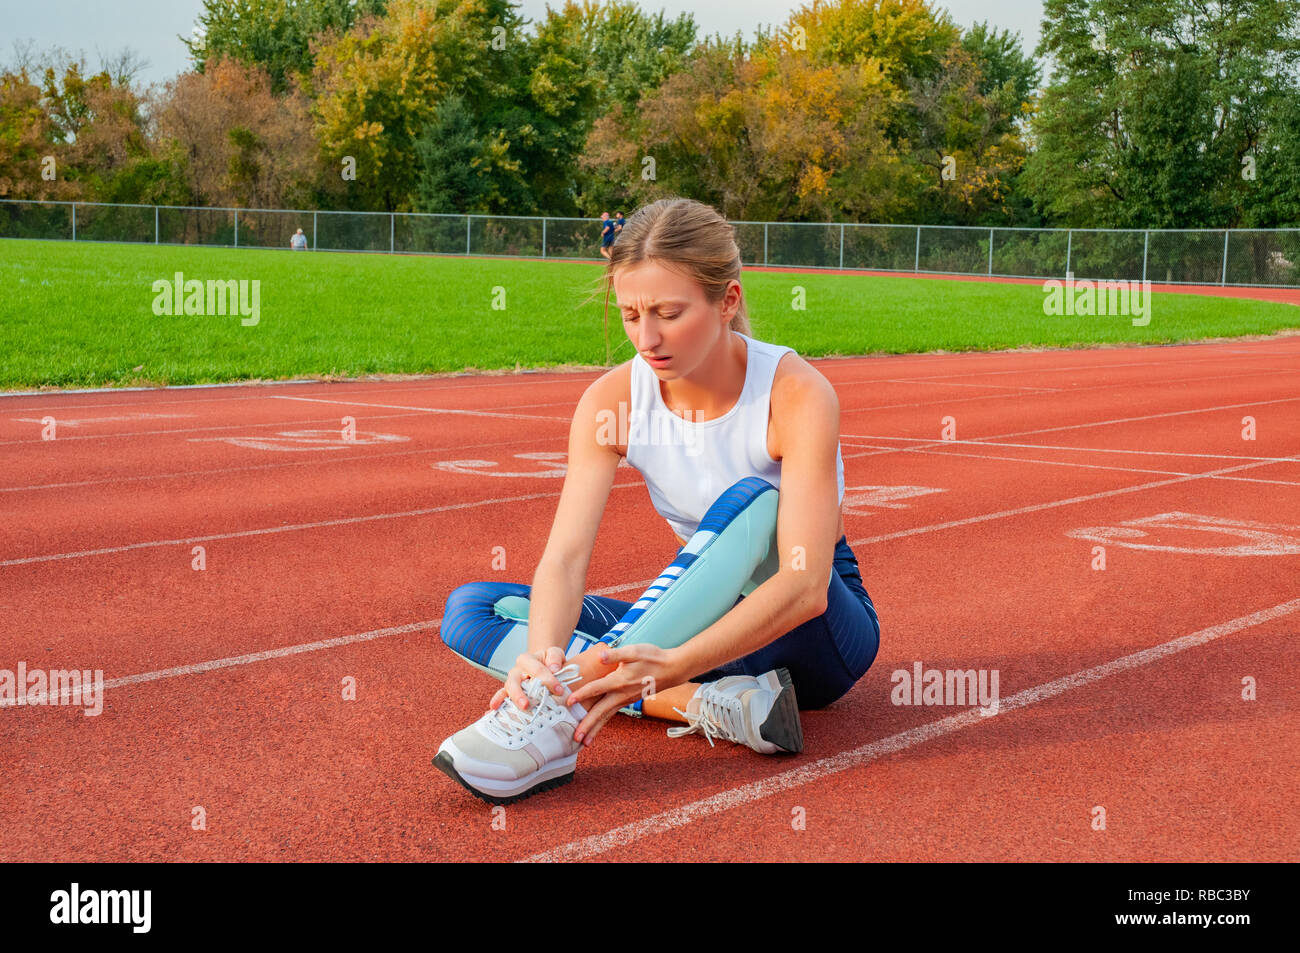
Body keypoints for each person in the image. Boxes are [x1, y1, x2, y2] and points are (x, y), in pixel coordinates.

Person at [434, 197, 881, 804]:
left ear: (727, 301)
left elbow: (805, 586)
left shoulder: (795, 392)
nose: (647, 338)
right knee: (474, 609)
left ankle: (563, 711)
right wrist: (542, 655)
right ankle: (712, 704)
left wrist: (653, 661)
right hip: (693, 636)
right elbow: (565, 559)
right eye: (631, 314)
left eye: (669, 314)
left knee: (753, 500)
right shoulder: (610, 401)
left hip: (813, 634)